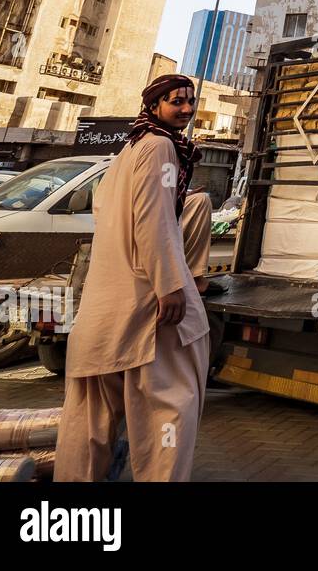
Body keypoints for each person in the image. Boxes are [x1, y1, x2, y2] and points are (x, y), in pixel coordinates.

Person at [55, 75, 212, 481]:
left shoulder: (129, 151)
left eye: (190, 101)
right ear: (155, 105)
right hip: (145, 307)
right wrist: (170, 285)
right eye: (176, 101)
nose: (187, 109)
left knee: (89, 420)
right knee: (172, 408)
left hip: (103, 312)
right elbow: (153, 219)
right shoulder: (160, 146)